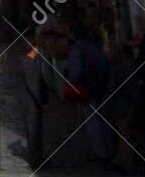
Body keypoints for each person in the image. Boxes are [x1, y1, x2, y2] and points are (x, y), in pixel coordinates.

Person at [65, 25, 116, 166]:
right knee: (103, 121)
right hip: (101, 87)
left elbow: (76, 71)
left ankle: (101, 154)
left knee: (93, 123)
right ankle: (108, 151)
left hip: (87, 88)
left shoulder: (77, 49)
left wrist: (71, 82)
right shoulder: (94, 47)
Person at [21, 33, 59, 169]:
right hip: (31, 105)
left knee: (37, 132)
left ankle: (38, 157)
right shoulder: (28, 64)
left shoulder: (31, 61)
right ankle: (36, 160)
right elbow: (34, 86)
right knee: (34, 133)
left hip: (33, 104)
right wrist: (42, 102)